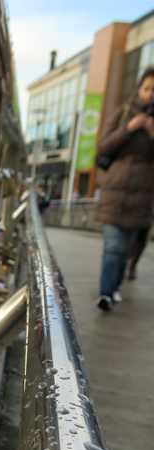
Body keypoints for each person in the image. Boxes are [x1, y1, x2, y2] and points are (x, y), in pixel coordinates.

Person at [95, 67, 154, 310]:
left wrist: (150, 131)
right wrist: (128, 129)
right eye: (147, 88)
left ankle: (115, 286)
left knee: (124, 251)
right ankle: (106, 294)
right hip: (115, 192)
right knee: (111, 247)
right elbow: (103, 146)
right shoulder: (124, 113)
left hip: (142, 197)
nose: (150, 94)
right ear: (139, 89)